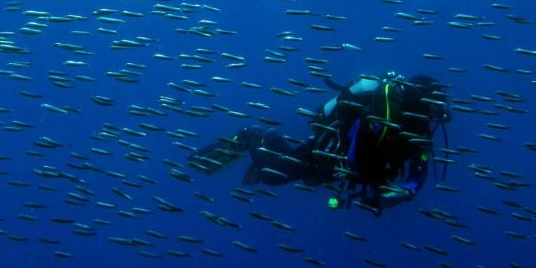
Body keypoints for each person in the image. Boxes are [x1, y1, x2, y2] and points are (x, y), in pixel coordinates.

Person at [188, 72, 451, 214]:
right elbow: (352, 134)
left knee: (298, 177)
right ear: (422, 100)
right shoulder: (382, 107)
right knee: (275, 176)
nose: (435, 116)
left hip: (344, 168)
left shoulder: (419, 131)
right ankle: (253, 135)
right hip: (330, 152)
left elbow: (420, 166)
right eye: (434, 107)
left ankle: (264, 141)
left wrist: (409, 191)